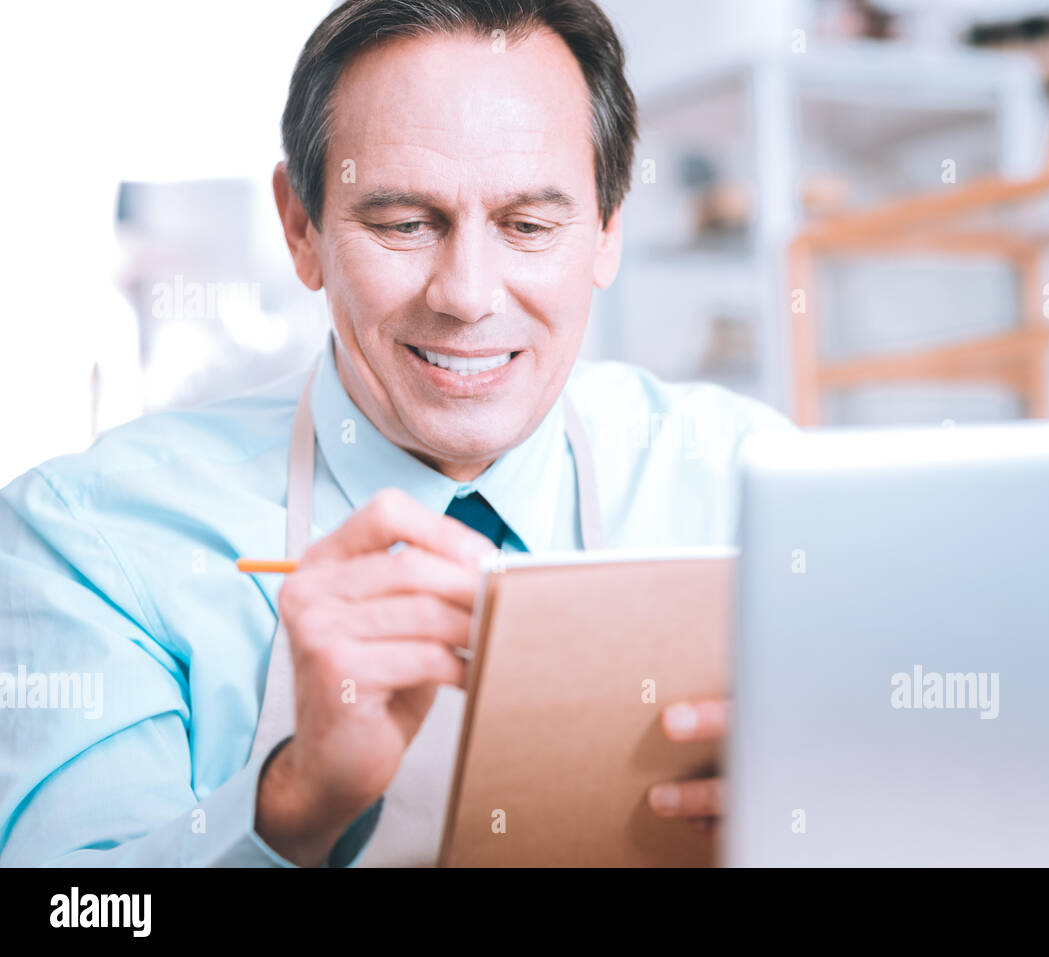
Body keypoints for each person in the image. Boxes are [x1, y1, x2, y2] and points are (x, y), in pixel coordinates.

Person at [0, 0, 793, 867]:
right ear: (302, 227)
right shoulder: (91, 536)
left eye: (529, 225)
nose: (466, 294)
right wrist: (291, 805)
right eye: (404, 223)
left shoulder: (756, 486)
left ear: (607, 228)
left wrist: (813, 814)